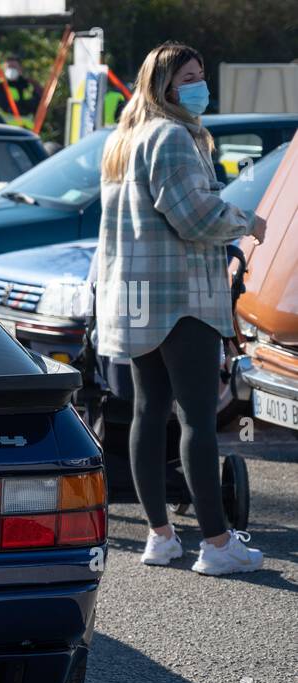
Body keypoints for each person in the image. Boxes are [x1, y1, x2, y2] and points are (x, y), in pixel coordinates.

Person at [95, 42, 266, 575]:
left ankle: (160, 537)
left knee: (147, 413)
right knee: (196, 416)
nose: (200, 85)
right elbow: (194, 217)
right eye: (189, 77)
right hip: (180, 296)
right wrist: (246, 222)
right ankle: (216, 544)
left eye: (201, 74)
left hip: (136, 295)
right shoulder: (171, 137)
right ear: (165, 87)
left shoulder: (123, 141)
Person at [0, 57, 41, 127]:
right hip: (6, 127)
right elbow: (5, 106)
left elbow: (36, 104)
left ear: (20, 69)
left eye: (14, 67)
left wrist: (20, 105)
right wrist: (25, 106)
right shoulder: (0, 85)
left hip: (26, 128)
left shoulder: (28, 85)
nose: (12, 70)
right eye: (9, 67)